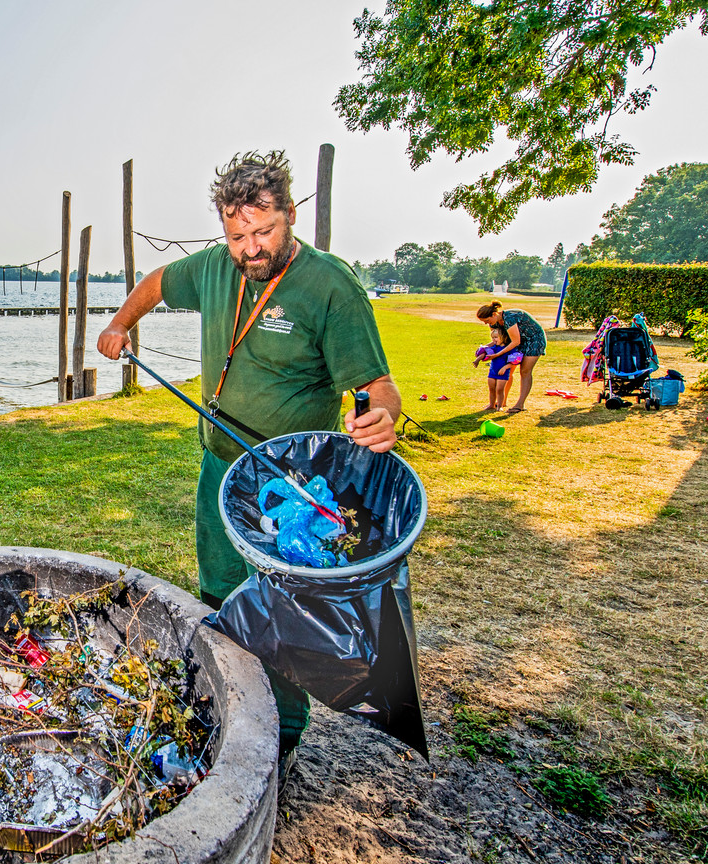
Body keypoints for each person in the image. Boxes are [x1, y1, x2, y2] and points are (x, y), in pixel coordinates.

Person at [96, 150, 401, 780]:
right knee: (221, 595)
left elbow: (377, 384)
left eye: (264, 231)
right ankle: (225, 711)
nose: (252, 248)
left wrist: (381, 416)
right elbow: (157, 281)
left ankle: (279, 742)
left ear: (289, 215)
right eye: (239, 236)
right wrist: (120, 323)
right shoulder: (214, 267)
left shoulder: (329, 285)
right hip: (220, 468)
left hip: (293, 490)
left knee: (283, 611)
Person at [476, 301, 545, 412]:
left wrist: (498, 354)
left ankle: (520, 404)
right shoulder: (494, 323)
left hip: (533, 340)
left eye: (487, 320)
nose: (486, 323)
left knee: (525, 371)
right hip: (516, 341)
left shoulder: (510, 318)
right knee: (508, 370)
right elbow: (499, 340)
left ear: (494, 314)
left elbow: (515, 341)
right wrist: (484, 348)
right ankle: (501, 401)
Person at [473, 326, 523, 410]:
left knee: (499, 390)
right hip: (492, 372)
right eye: (492, 338)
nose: (493, 340)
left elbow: (515, 362)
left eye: (495, 337)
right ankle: (491, 404)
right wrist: (477, 360)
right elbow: (485, 354)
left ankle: (499, 406)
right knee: (492, 389)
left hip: (503, 373)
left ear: (503, 337)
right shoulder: (494, 347)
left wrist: (505, 368)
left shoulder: (510, 349)